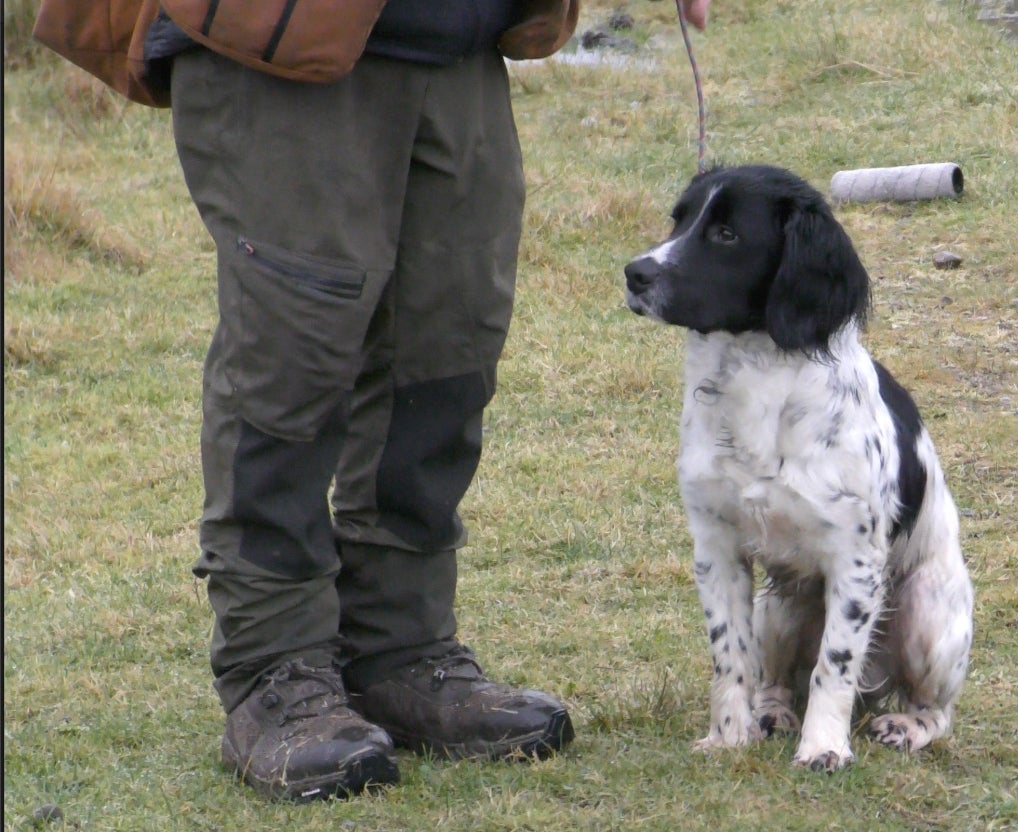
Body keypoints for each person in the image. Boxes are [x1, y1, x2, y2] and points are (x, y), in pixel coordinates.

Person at [143, 0, 713, 802]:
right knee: (292, 358)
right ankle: (275, 669)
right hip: (281, 38)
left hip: (461, 37)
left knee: (448, 348)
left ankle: (399, 648)